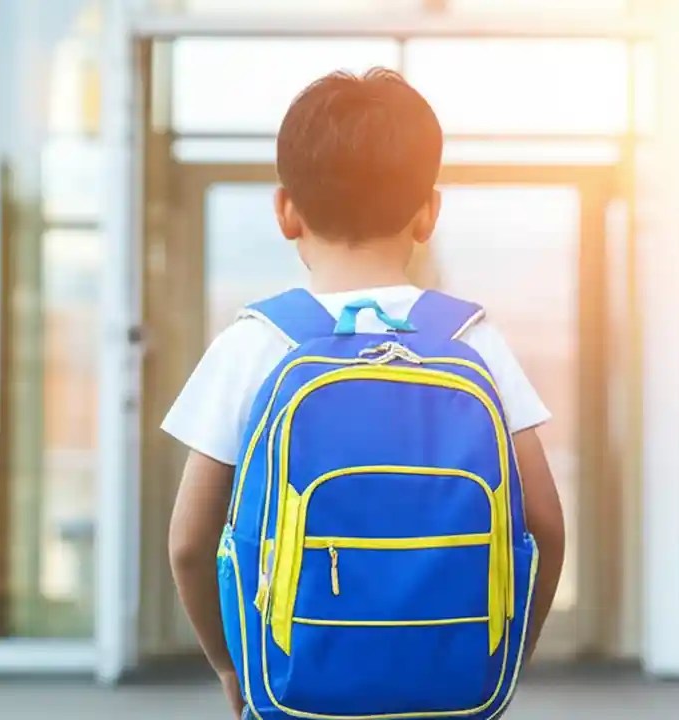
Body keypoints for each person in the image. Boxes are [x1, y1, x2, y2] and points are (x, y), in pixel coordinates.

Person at [163, 68, 566, 718]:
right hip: (451, 688)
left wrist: (231, 665)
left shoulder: (257, 342)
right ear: (429, 212)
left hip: (297, 687)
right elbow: (544, 526)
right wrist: (507, 662)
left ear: (285, 211)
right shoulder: (473, 340)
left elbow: (189, 542)